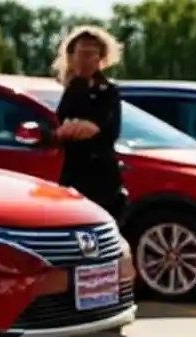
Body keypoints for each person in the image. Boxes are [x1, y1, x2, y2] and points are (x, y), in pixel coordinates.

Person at [51, 25, 127, 221]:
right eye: (82, 53)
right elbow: (61, 128)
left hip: (101, 179)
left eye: (92, 54)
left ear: (101, 58)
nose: (86, 60)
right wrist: (66, 129)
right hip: (71, 173)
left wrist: (73, 127)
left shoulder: (107, 91)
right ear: (71, 55)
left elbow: (91, 129)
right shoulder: (71, 89)